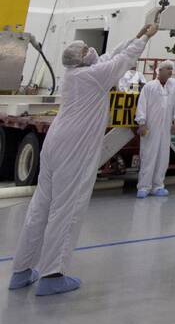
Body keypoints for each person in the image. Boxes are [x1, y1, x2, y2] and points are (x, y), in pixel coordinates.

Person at [9, 21, 159, 296]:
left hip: (55, 144)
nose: (92, 51)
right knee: (67, 207)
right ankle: (52, 275)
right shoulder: (93, 77)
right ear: (80, 58)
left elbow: (111, 56)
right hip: (74, 149)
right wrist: (146, 38)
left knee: (40, 207)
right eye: (87, 49)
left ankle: (21, 271)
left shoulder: (75, 75)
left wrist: (138, 32)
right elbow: (122, 60)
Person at [135, 62, 175, 198]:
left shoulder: (173, 87)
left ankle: (158, 186)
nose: (170, 71)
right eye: (167, 69)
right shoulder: (149, 87)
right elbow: (142, 104)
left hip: (166, 128)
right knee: (148, 156)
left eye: (171, 69)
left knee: (163, 157)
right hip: (151, 127)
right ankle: (144, 187)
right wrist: (142, 123)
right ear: (159, 70)